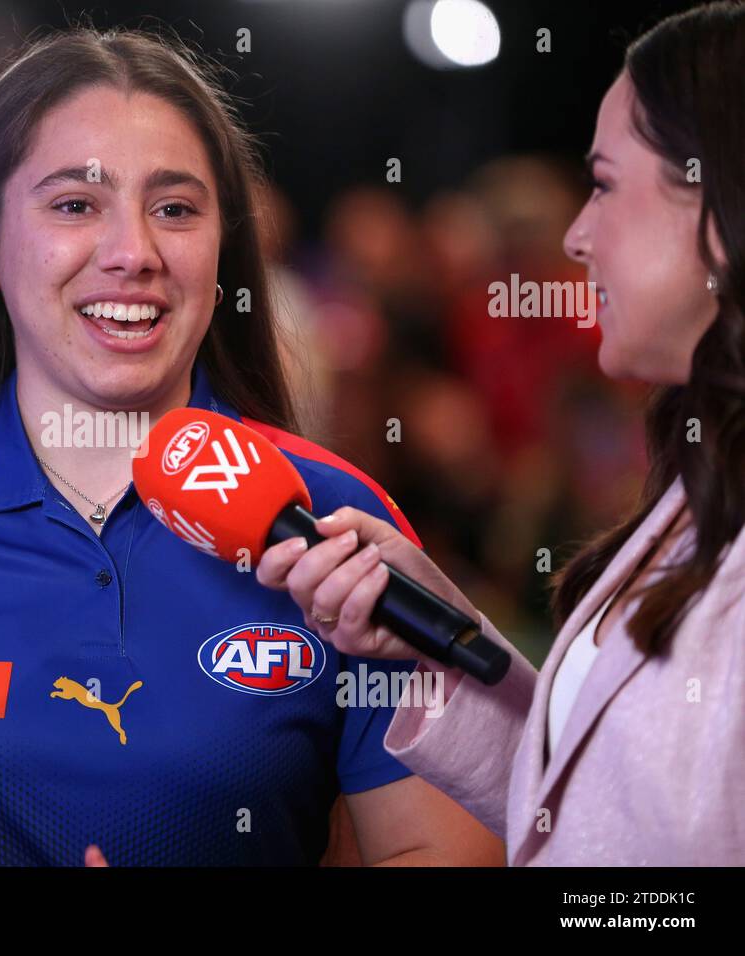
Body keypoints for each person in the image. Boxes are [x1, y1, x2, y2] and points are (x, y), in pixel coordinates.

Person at [0, 26, 503, 866]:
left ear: (223, 254)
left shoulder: (336, 523)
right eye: (75, 205)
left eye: (175, 209)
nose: (133, 254)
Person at [255, 1, 745, 865]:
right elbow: (596, 813)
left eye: (601, 184)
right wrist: (442, 634)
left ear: (720, 204)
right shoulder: (694, 482)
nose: (576, 236)